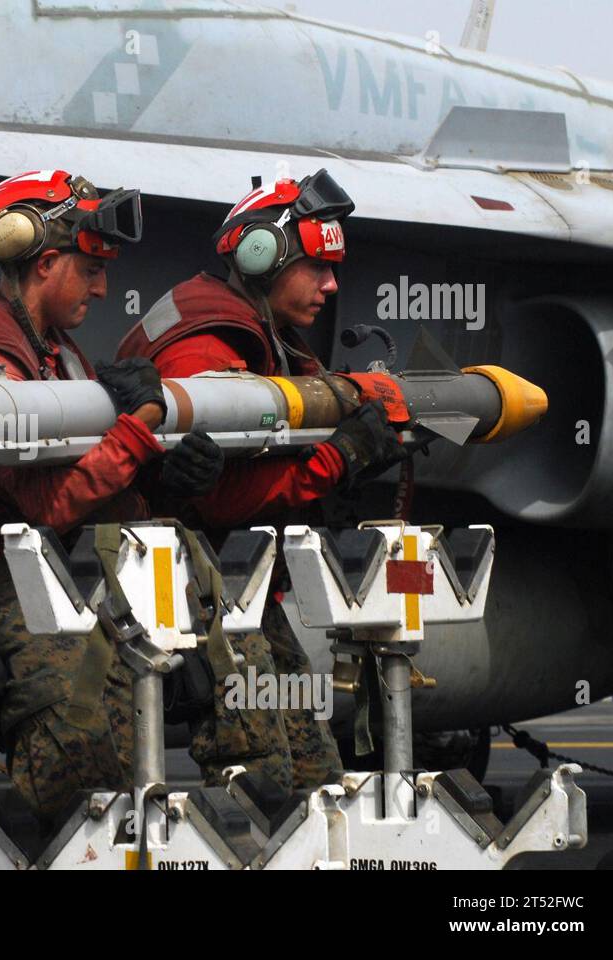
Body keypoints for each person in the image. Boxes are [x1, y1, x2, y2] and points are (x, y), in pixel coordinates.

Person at [0, 169, 223, 825]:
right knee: (77, 706)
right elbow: (48, 505)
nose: (103, 287)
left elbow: (86, 479)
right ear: (46, 262)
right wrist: (140, 430)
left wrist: (161, 483)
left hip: (31, 556)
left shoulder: (52, 349)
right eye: (91, 269)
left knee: (171, 667)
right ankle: (47, 833)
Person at [116, 169, 403, 791]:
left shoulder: (255, 332)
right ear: (260, 257)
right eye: (317, 268)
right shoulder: (206, 346)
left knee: (313, 776)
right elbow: (217, 498)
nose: (332, 284)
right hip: (199, 592)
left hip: (238, 591)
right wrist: (341, 459)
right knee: (263, 783)